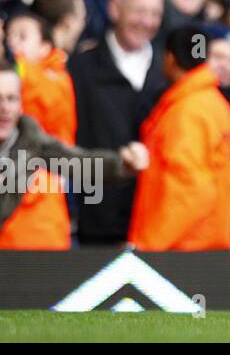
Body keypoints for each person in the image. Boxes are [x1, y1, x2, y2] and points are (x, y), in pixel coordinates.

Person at [0, 62, 148, 249]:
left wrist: (122, 164)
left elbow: (80, 162)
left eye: (11, 98)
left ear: (21, 104)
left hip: (24, 264)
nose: (4, 108)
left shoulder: (32, 143)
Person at [68, 0, 168, 245]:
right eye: (139, 12)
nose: (147, 22)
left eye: (155, 14)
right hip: (94, 226)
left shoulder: (170, 73)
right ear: (114, 8)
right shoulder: (79, 69)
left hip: (155, 227)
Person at [127, 25, 230, 251]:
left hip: (185, 250)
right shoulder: (215, 102)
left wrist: (148, 245)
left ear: (169, 58)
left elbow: (192, 189)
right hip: (210, 243)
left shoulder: (187, 111)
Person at [5, 7, 76, 145]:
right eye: (8, 36)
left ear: (44, 47)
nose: (12, 42)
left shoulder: (55, 78)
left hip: (50, 160)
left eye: (22, 36)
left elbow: (31, 82)